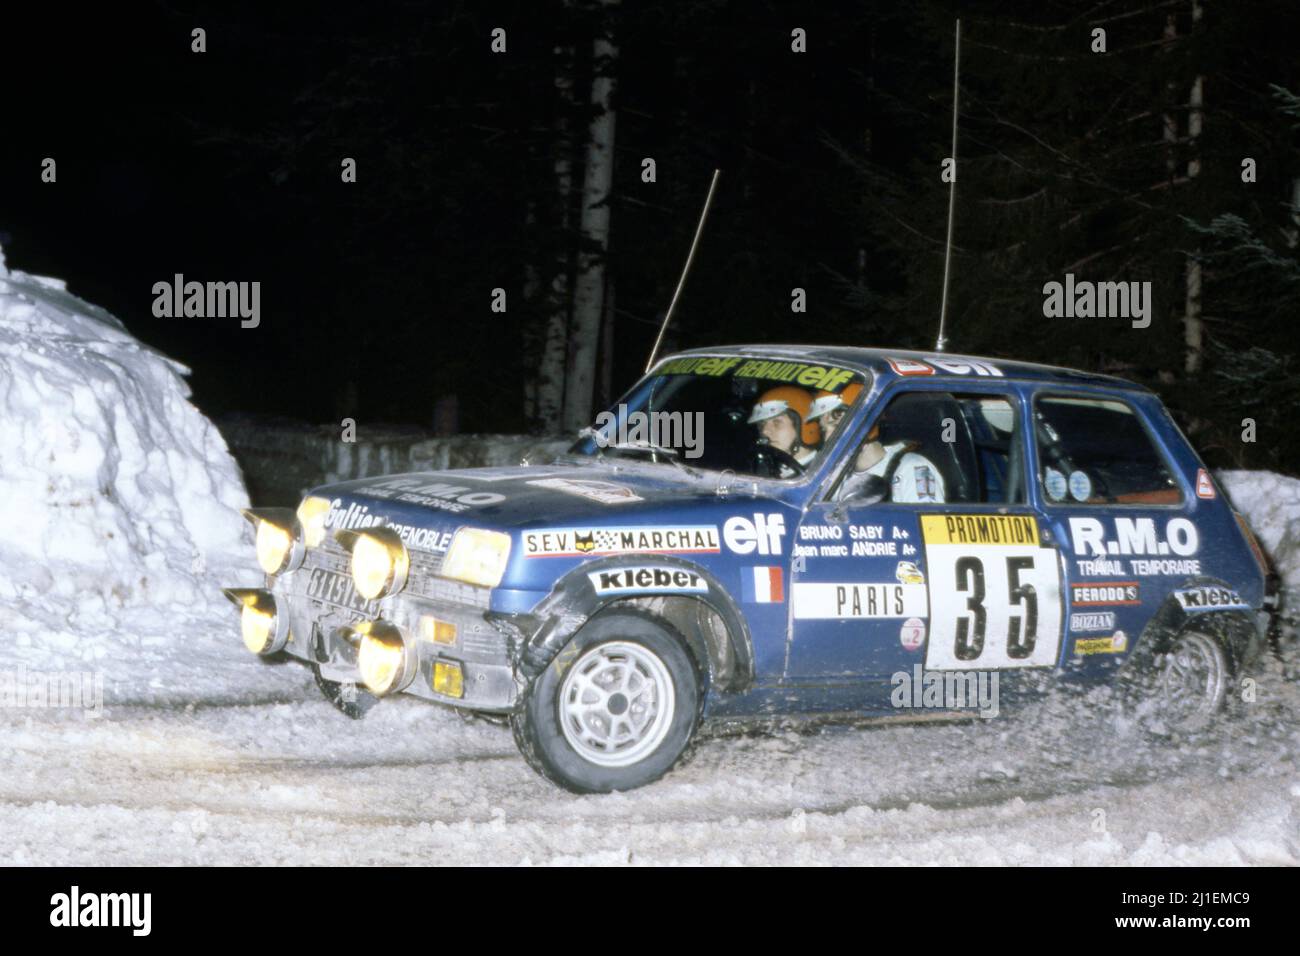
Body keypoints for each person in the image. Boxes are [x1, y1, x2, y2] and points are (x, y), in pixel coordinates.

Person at [836, 422, 946, 504]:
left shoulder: (913, 468)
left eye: (834, 427)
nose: (826, 437)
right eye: (823, 429)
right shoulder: (832, 477)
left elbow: (927, 526)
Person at [747, 386, 819, 476]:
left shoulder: (826, 473)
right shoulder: (764, 469)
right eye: (762, 424)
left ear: (805, 426)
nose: (765, 431)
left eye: (777, 422)